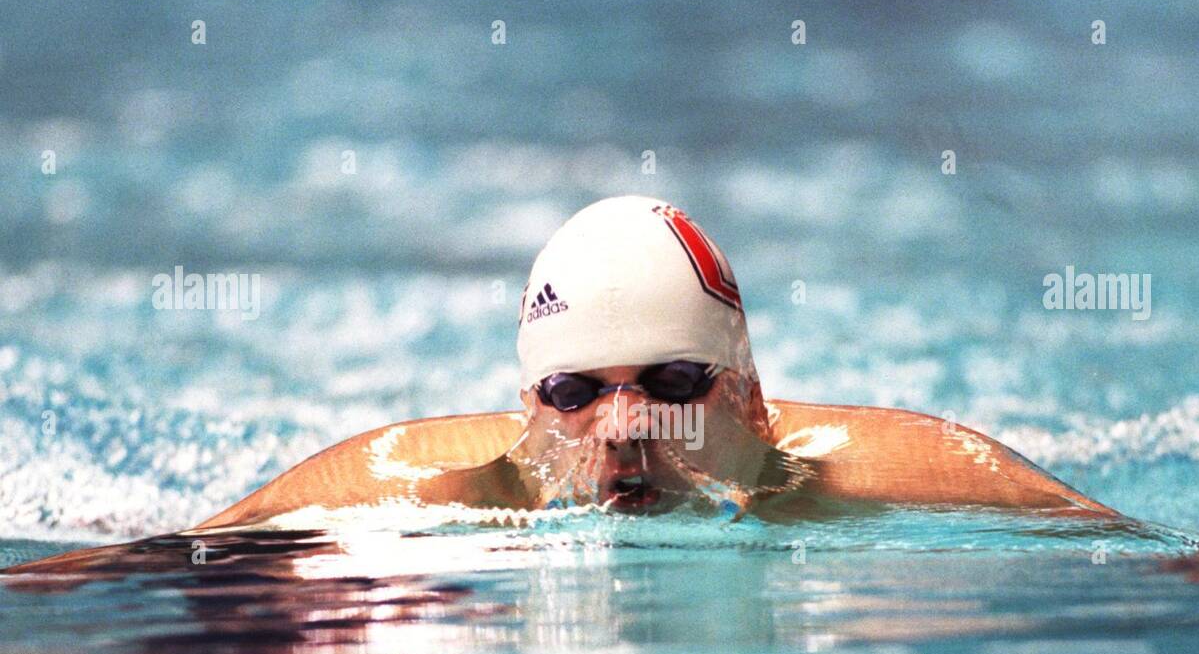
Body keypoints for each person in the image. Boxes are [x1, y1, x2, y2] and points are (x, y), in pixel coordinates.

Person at [193, 195, 1121, 531]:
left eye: (674, 382)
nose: (627, 426)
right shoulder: (455, 482)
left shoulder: (854, 468)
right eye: (575, 392)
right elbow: (188, 553)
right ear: (530, 410)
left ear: (752, 403)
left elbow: (1126, 539)